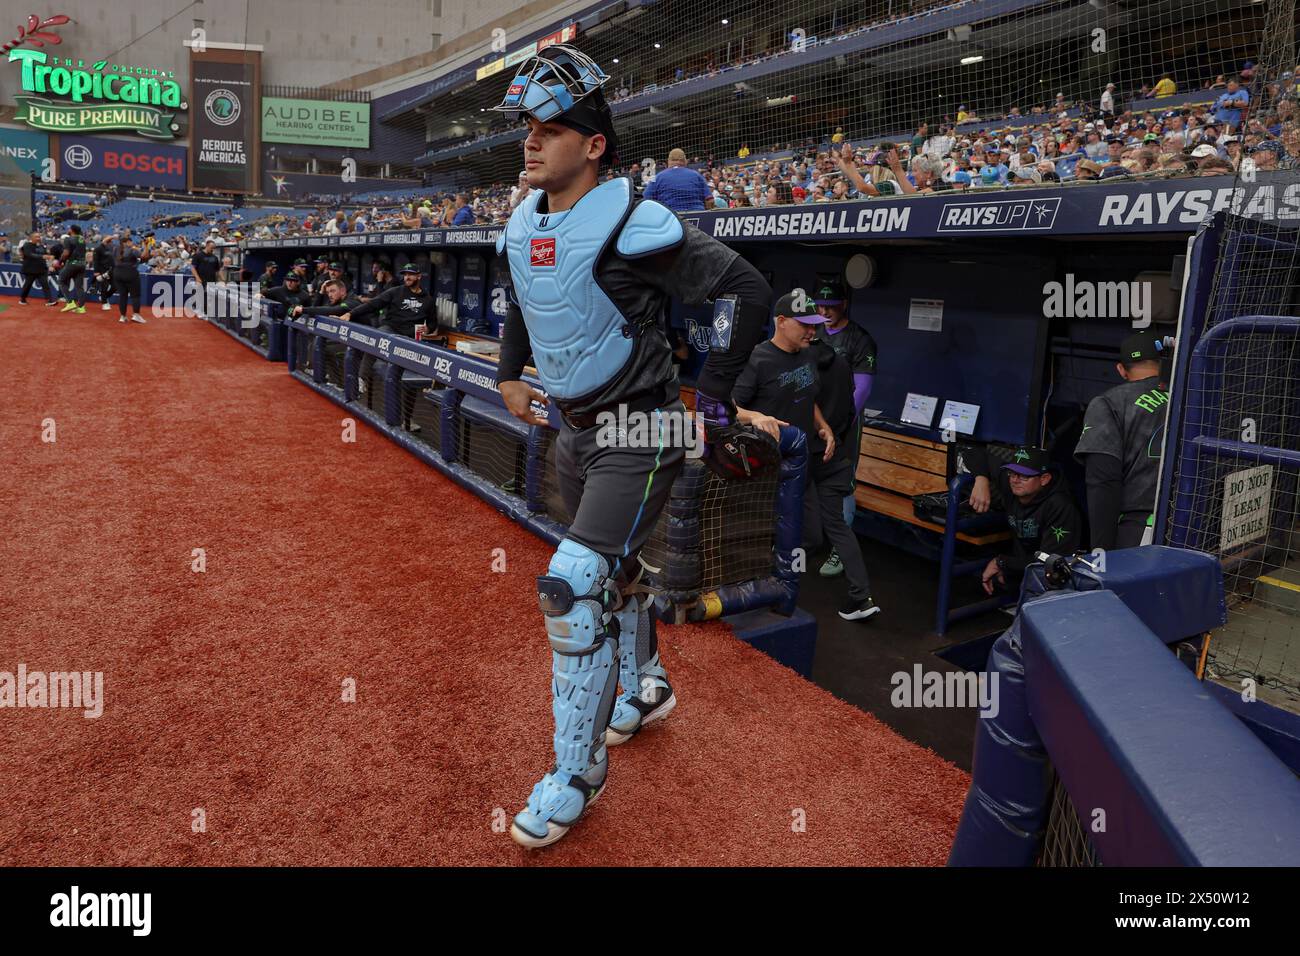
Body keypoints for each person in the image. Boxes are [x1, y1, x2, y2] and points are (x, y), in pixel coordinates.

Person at [489, 44, 774, 848]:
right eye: (526, 129)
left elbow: (747, 291)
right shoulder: (525, 217)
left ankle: (576, 773)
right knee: (618, 575)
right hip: (575, 430)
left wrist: (712, 396)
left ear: (595, 144)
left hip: (641, 427)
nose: (531, 142)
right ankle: (645, 686)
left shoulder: (634, 221)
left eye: (549, 128)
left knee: (570, 585)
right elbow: (524, 288)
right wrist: (512, 369)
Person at [733, 290, 879, 620]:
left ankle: (777, 581)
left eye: (815, 326)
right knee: (761, 530)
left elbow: (808, 397)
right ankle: (756, 592)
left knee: (811, 535)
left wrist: (824, 427)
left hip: (799, 464)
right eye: (805, 325)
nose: (813, 332)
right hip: (764, 464)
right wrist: (755, 416)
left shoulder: (806, 356)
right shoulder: (758, 358)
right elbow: (727, 408)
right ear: (781, 322)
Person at [1074, 332, 1171, 550]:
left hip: (1139, 529)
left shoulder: (1109, 403)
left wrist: (1101, 549)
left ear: (1121, 369)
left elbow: (1103, 481)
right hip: (1186, 523)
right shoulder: (1189, 397)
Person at [809, 277, 877, 578]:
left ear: (844, 304)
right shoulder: (812, 333)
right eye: (820, 305)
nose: (825, 311)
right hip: (812, 419)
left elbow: (861, 391)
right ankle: (802, 542)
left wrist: (836, 427)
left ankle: (839, 550)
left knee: (842, 484)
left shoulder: (859, 338)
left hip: (844, 426)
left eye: (831, 306)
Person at [965, 445, 1083, 595]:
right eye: (1012, 473)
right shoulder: (1013, 484)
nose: (1015, 480)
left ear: (1044, 479)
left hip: (1057, 576)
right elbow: (972, 451)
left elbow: (1050, 560)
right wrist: (981, 480)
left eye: (1024, 476)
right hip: (1023, 563)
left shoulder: (1061, 505)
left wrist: (1002, 563)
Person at [642, 147, 713, 212]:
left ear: (669, 161)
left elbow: (645, 200)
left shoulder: (658, 177)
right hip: (697, 216)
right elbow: (710, 201)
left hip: (671, 219)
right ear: (685, 161)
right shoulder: (697, 175)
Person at [55, 224, 89, 314]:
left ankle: (70, 302)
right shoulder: (82, 239)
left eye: (69, 228)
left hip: (72, 264)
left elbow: (66, 253)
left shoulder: (68, 239)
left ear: (71, 230)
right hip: (82, 264)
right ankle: (81, 308)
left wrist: (59, 262)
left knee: (61, 280)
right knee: (79, 287)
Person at [18, 232, 58, 307]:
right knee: (28, 285)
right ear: (31, 238)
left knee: (45, 284)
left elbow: (47, 255)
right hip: (30, 269)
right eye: (36, 237)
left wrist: (50, 261)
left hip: (42, 269)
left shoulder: (42, 246)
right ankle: (22, 299)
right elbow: (29, 255)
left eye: (39, 237)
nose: (38, 238)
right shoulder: (27, 245)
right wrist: (43, 256)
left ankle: (49, 300)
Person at [112, 235, 145, 324]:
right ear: (126, 242)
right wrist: (147, 246)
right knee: (135, 295)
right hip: (130, 273)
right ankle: (136, 315)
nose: (132, 243)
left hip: (117, 273)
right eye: (130, 242)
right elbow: (144, 256)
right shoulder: (132, 250)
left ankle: (123, 317)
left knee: (123, 295)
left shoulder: (115, 249)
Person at [191, 239, 223, 319]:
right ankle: (199, 311)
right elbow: (193, 268)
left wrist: (223, 280)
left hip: (212, 280)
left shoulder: (215, 258)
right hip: (201, 279)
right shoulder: (198, 255)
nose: (212, 249)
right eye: (211, 247)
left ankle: (206, 311)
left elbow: (218, 270)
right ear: (207, 246)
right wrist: (197, 278)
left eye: (214, 248)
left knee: (209, 297)